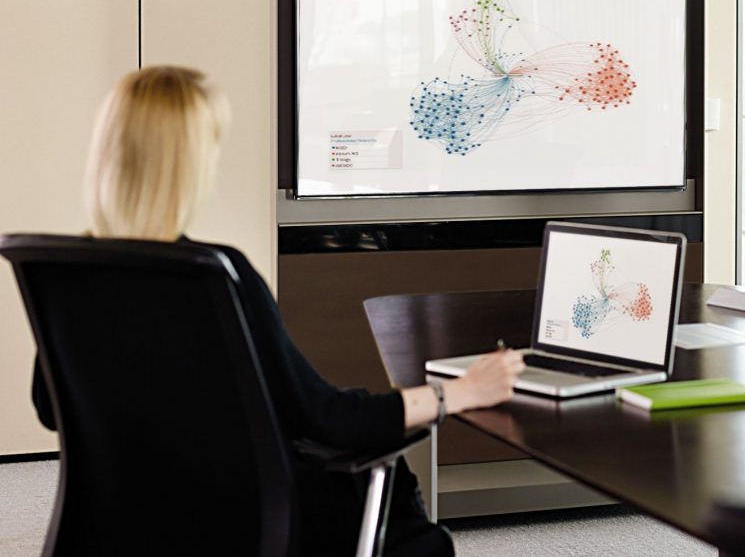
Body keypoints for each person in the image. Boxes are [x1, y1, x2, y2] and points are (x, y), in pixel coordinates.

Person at [31, 66, 526, 556]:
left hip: (121, 524)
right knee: (409, 526)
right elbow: (326, 420)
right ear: (190, 164)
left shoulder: (67, 274)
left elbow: (49, 408)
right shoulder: (216, 276)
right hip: (242, 525)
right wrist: (456, 393)